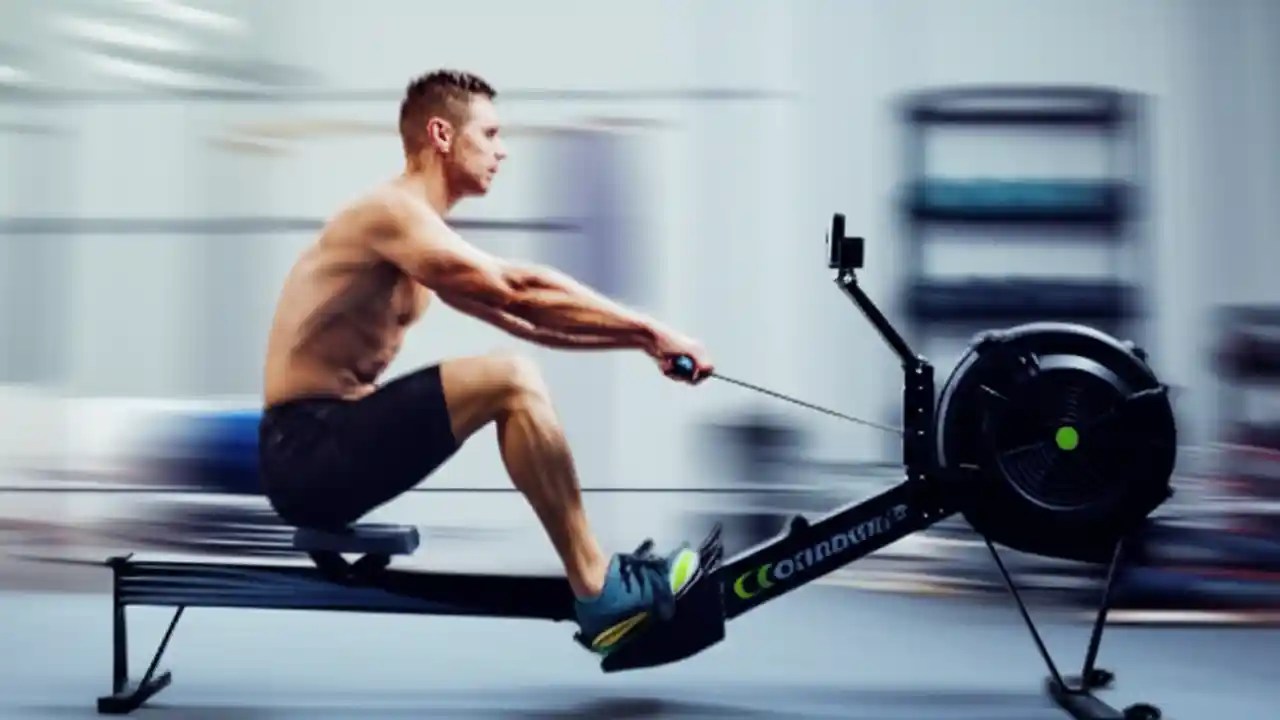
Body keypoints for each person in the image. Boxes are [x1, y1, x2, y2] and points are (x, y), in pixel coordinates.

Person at [256, 69, 715, 655]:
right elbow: (516, 289)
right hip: (304, 451)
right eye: (491, 134)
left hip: (329, 447)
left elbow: (529, 321)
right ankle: (600, 589)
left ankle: (597, 577)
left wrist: (644, 345)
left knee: (515, 374)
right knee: (510, 378)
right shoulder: (389, 213)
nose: (503, 151)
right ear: (442, 134)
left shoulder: (419, 234)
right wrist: (653, 328)